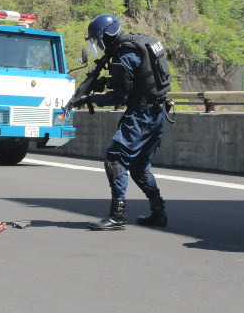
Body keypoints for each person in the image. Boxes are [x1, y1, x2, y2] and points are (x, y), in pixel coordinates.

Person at [71, 14, 172, 230]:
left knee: (115, 160)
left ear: (107, 36)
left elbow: (120, 97)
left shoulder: (123, 55)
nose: (99, 45)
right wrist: (106, 81)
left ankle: (117, 216)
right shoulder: (141, 42)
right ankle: (158, 212)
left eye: (99, 40)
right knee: (139, 167)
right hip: (158, 111)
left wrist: (90, 98)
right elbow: (140, 79)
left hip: (141, 115)